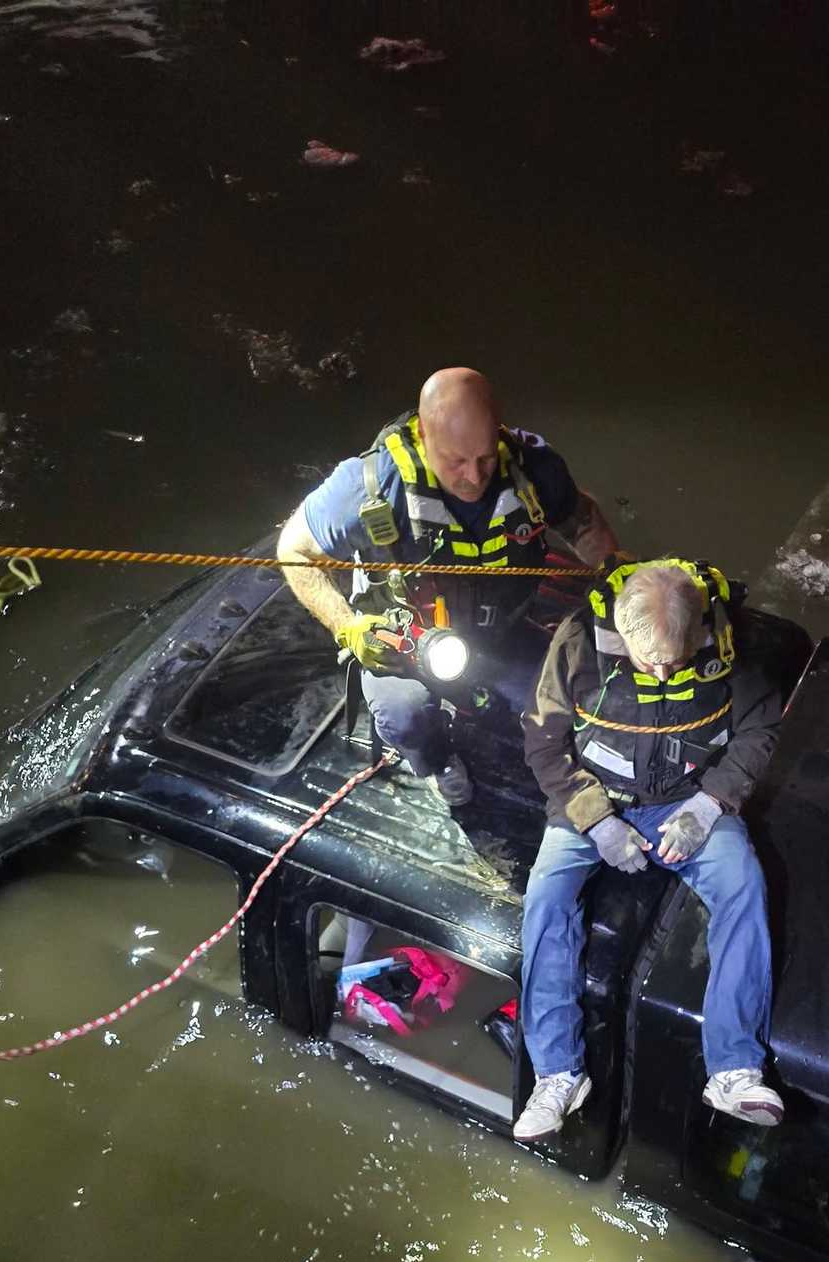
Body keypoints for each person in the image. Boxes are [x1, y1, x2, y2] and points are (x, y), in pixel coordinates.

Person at [516, 556, 785, 1138]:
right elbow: (543, 742)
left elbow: (759, 731)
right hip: (590, 801)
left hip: (687, 801)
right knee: (545, 897)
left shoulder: (734, 647)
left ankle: (734, 1068)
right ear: (620, 631)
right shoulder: (577, 645)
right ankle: (557, 1075)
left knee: (744, 886)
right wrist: (596, 822)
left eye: (677, 660)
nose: (663, 675)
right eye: (649, 661)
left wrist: (710, 803)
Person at [277, 367, 620, 808]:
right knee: (404, 718)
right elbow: (295, 549)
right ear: (423, 434)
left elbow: (582, 520)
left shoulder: (533, 467)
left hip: (502, 631)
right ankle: (437, 762)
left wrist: (615, 571)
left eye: (485, 459)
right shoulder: (371, 484)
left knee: (563, 702)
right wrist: (347, 627)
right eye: (456, 461)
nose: (474, 478)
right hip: (405, 640)